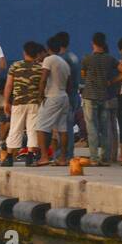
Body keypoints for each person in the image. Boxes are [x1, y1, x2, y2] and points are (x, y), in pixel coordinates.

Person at [1, 42, 46, 165]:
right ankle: (30, 157)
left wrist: (5, 102)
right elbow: (43, 85)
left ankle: (9, 157)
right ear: (37, 54)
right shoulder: (41, 68)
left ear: (24, 52)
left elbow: (9, 85)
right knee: (32, 129)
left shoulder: (15, 66)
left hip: (18, 102)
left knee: (15, 128)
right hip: (34, 103)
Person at [80, 32, 120, 166]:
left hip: (90, 96)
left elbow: (83, 74)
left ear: (93, 43)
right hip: (104, 96)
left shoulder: (87, 59)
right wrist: (112, 81)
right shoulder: (110, 59)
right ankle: (105, 157)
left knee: (92, 129)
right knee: (105, 128)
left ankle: (94, 158)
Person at [35, 37, 71, 165]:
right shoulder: (64, 63)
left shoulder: (49, 60)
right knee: (62, 128)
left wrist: (40, 96)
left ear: (48, 48)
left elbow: (43, 79)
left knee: (40, 126)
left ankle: (44, 156)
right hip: (64, 96)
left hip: (52, 96)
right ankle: (63, 158)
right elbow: (69, 83)